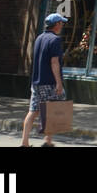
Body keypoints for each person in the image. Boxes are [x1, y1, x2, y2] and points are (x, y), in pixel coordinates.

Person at [21, 12, 68, 147]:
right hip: (49, 81)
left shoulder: (39, 38)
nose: (62, 26)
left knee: (33, 111)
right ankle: (48, 141)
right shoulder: (55, 40)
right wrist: (59, 82)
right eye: (61, 23)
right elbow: (54, 62)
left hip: (36, 82)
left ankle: (24, 142)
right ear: (57, 24)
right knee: (53, 110)